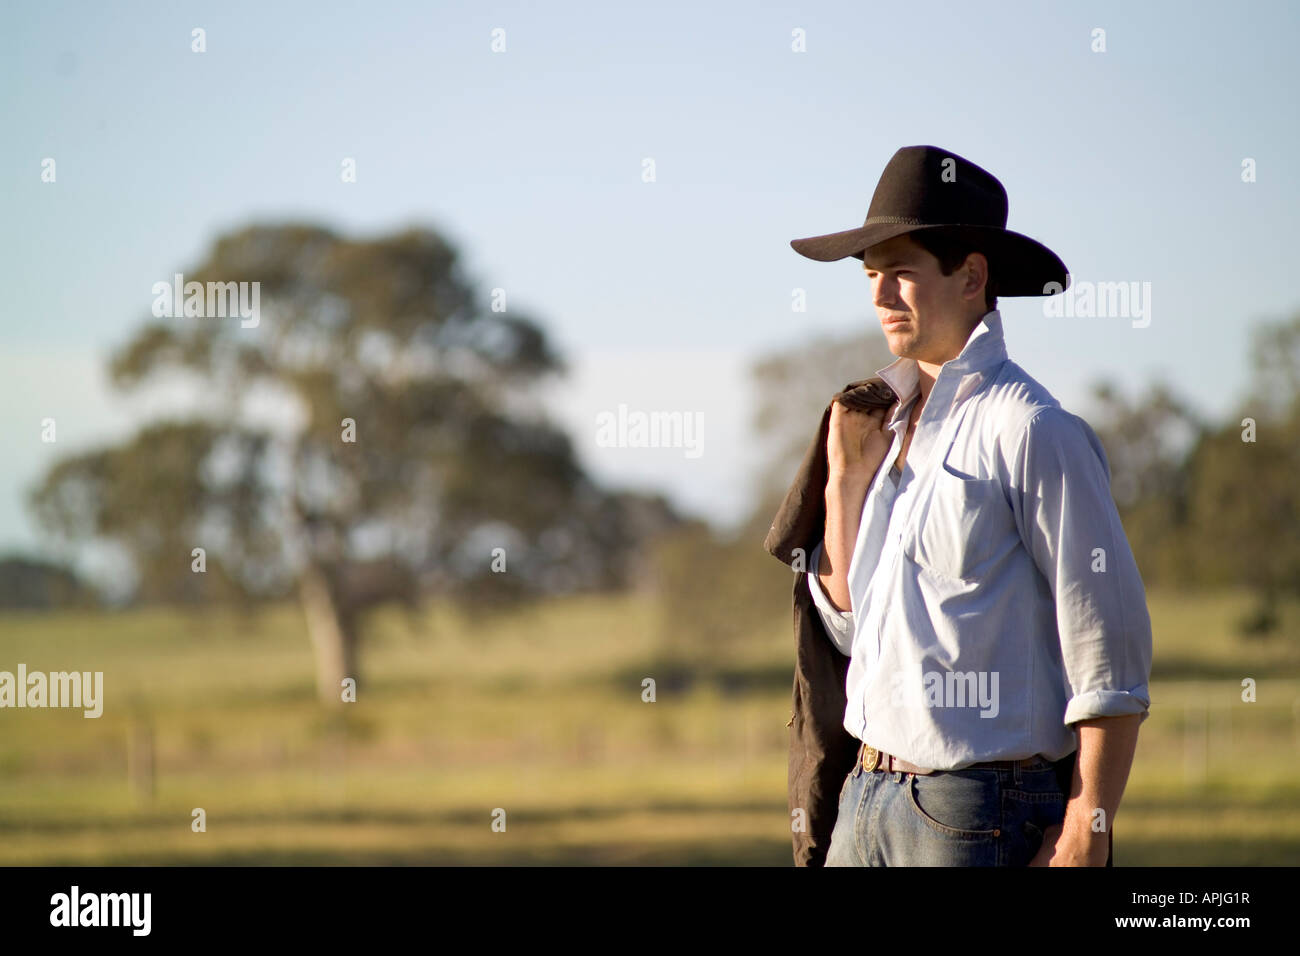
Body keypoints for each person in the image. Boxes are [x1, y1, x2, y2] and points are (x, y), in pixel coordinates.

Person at [789, 145, 1152, 866]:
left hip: (975, 810)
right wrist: (841, 484)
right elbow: (848, 630)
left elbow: (1108, 650)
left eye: (900, 272)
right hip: (864, 795)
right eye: (870, 276)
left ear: (972, 276)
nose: (879, 295)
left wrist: (1089, 825)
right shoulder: (879, 429)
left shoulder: (1034, 431)